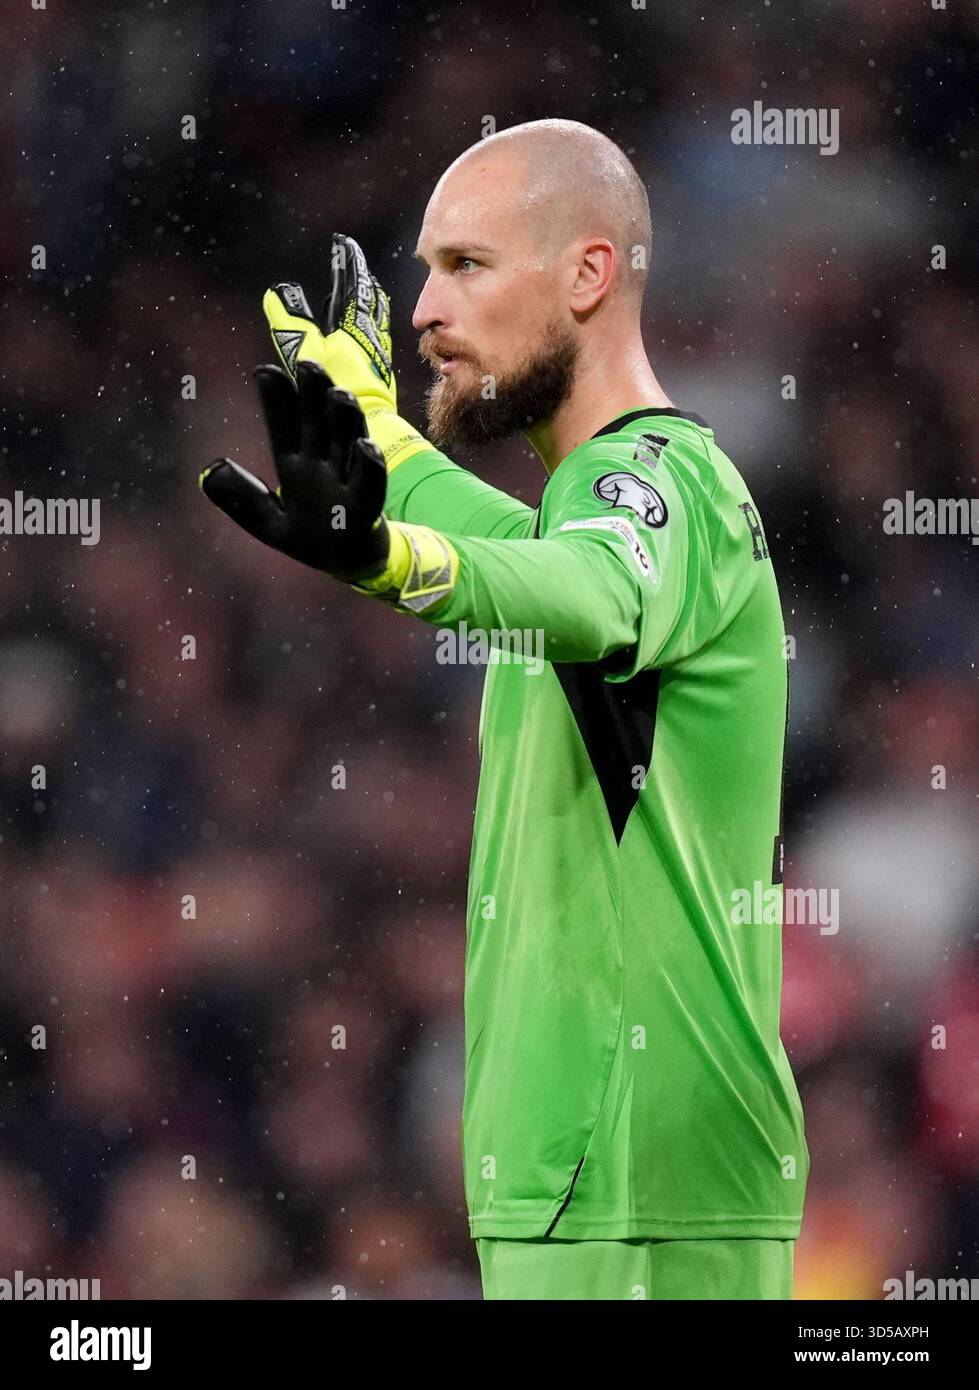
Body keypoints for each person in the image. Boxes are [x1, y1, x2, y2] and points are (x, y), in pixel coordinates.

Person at [200, 118, 809, 1301]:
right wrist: (376, 439)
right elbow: (528, 558)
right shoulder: (581, 511)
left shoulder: (664, 486)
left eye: (465, 267)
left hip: (639, 1184)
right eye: (424, 269)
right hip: (590, 1176)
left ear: (588, 274)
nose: (422, 308)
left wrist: (389, 559)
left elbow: (585, 587)